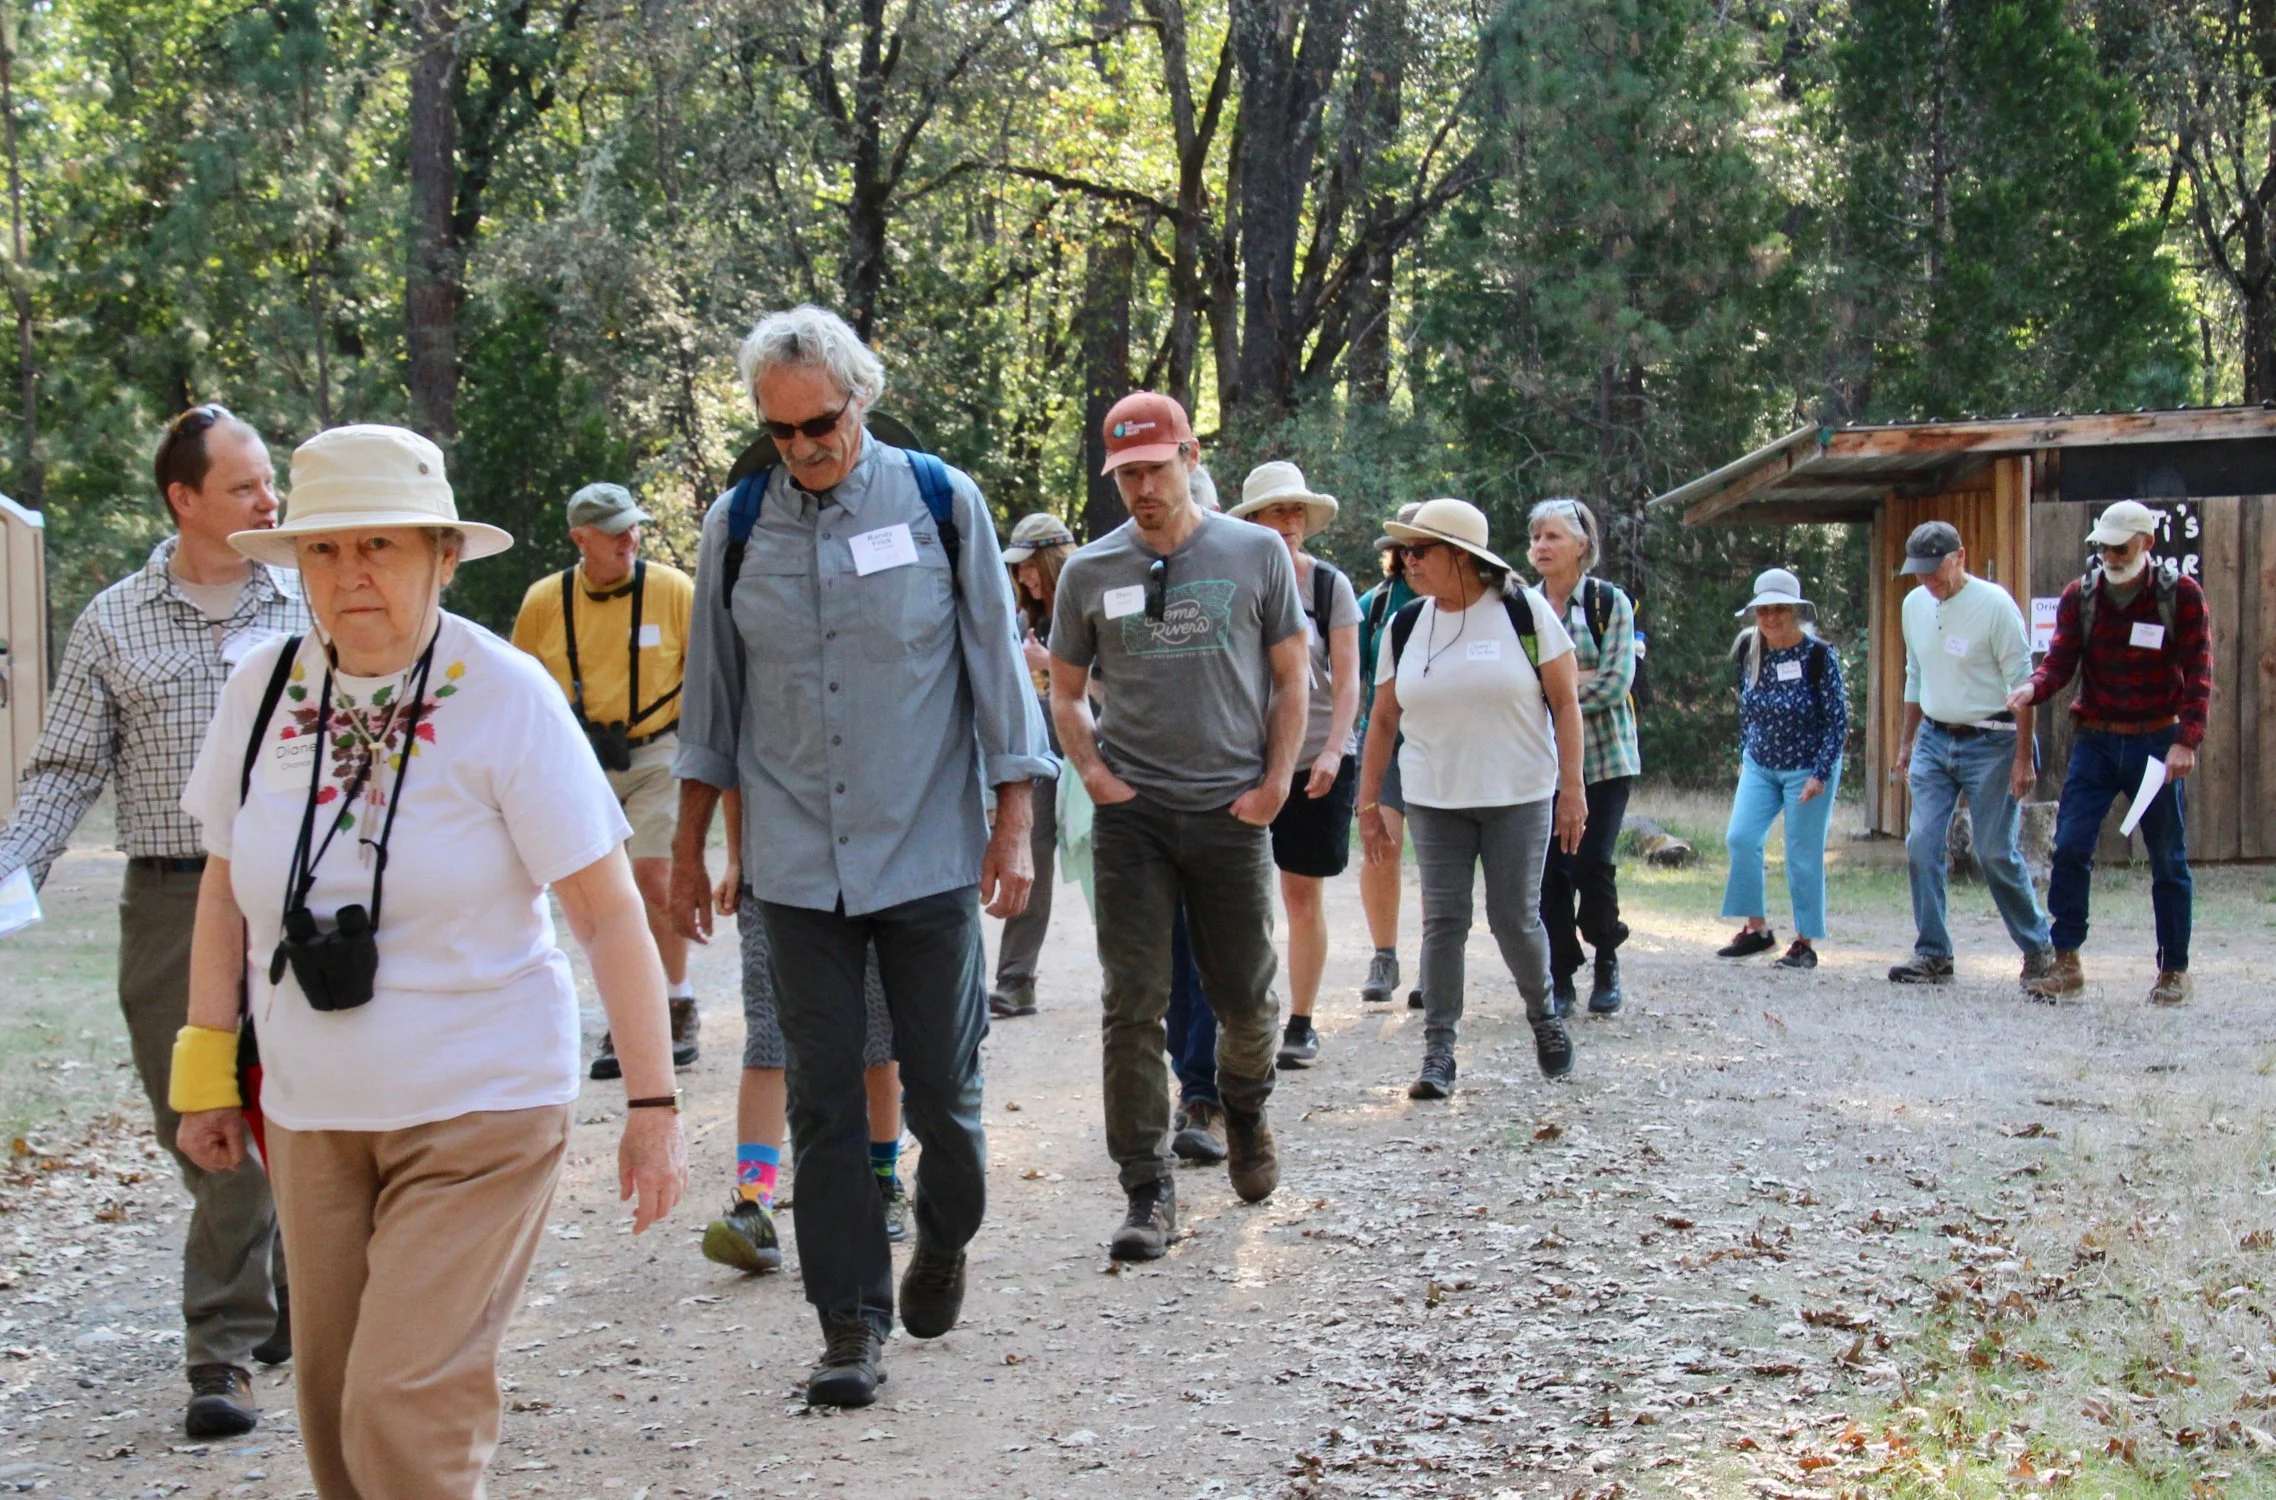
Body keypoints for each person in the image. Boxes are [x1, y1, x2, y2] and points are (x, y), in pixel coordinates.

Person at [170, 424, 687, 1499]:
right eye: (324, 550)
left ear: (441, 556)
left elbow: (603, 912)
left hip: (480, 1105)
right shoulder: (261, 689)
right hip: (313, 1112)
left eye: (381, 547)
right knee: (330, 1414)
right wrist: (206, 1071)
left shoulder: (505, 695)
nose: (351, 574)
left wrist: (653, 1103)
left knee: (401, 1405)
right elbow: (225, 891)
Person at [668, 305, 1050, 1407]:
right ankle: (849, 1324)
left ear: (861, 397)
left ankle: (943, 1236)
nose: (803, 448)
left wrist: (1011, 825)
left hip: (927, 853)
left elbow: (996, 672)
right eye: (780, 432)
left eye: (819, 424)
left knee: (945, 1094)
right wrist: (692, 852)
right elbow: (712, 708)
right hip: (795, 868)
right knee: (823, 1103)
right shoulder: (737, 522)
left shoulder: (939, 501)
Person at [0, 404, 302, 1437]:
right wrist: (8, 876)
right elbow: (65, 767)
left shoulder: (308, 600)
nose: (271, 502)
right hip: (173, 898)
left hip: (298, 894)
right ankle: (280, 1277)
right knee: (199, 1112)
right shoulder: (113, 620)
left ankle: (219, 1354)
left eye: (270, 483)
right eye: (247, 488)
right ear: (184, 500)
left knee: (284, 1112)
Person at [1049, 390, 1307, 1262]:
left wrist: (1275, 784)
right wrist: (1093, 774)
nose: (1142, 489)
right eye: (1126, 475)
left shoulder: (1256, 551)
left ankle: (1243, 1104)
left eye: (1155, 469)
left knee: (1246, 999)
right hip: (1137, 820)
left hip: (1232, 811)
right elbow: (1064, 690)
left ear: (1191, 458)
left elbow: (1291, 677)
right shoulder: (1090, 570)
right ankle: (1145, 1189)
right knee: (1133, 1005)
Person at [1356, 498, 1586, 1097]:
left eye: (1420, 550)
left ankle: (1544, 1017)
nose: (1407, 561)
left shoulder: (1521, 611)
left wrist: (1572, 788)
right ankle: (1438, 1053)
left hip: (1519, 793)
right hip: (1436, 797)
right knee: (1444, 922)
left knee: (1514, 919)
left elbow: (1565, 703)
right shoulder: (1405, 625)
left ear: (1461, 557)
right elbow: (1381, 721)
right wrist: (1367, 804)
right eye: (1404, 551)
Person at [511, 483, 702, 1076]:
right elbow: (520, 690)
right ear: (579, 539)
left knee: (653, 875)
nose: (629, 538)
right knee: (597, 897)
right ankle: (627, 1020)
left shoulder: (673, 590)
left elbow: (708, 676)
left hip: (657, 753)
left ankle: (676, 1000)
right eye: (614, 529)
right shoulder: (545, 601)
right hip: (580, 759)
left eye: (633, 526)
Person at [696, 784, 912, 1275]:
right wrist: (735, 857)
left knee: (878, 1038)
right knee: (768, 1039)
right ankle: (754, 1204)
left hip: (875, 871)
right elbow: (734, 764)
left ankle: (882, 1178)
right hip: (775, 875)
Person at [2009, 501, 2212, 1006]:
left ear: (2147, 543)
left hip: (2155, 742)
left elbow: (2200, 674)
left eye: (2119, 547)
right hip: (2096, 739)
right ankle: (2067, 962)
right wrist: (2033, 689)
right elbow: (2058, 662)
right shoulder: (2081, 597)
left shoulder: (2181, 596)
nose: (2109, 556)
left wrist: (2187, 740)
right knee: (2072, 846)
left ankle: (2174, 971)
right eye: (2102, 547)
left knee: (2168, 858)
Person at [1227, 461, 1358, 1069]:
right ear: (1252, 521)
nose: (1288, 523)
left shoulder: (1330, 587)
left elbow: (1351, 681)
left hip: (1315, 760)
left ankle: (1301, 1022)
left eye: (1296, 512)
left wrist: (1334, 748)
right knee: (1239, 898)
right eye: (1276, 511)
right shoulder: (1233, 581)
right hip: (1246, 760)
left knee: (1301, 892)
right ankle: (1248, 1014)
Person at [1888, 521, 2053, 987]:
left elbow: (2025, 688)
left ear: (1960, 556)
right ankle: (1933, 953)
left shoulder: (1996, 606)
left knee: (1993, 851)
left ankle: (2039, 946)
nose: (1927, 581)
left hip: (1994, 740)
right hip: (1936, 739)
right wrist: (1907, 742)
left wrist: (2024, 758)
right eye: (1918, 572)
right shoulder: (1914, 605)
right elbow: (1915, 674)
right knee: (1921, 843)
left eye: (1934, 570)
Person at [1526, 498, 1640, 1016]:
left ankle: (1606, 955)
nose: (1541, 547)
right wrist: (1566, 685)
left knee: (1592, 863)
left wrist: (1557, 691)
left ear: (1582, 545)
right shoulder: (1520, 607)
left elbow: (1615, 684)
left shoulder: (1608, 603)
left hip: (1606, 761)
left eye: (1552, 536)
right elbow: (1516, 689)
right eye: (1536, 538)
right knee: (1548, 872)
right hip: (1538, 764)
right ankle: (1563, 974)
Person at [1716, 569, 1847, 968]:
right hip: (1761, 764)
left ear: (1795, 612)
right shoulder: (1748, 650)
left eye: (1779, 610)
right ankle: (1756, 931)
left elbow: (1837, 722)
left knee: (1802, 855)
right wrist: (1745, 756)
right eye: (1763, 611)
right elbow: (1747, 712)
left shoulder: (1819, 656)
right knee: (1740, 837)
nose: (1770, 618)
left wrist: (1820, 774)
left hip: (1808, 767)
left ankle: (1805, 943)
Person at [991, 511, 1079, 1018]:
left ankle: (1133, 975)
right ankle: (1016, 980)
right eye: (1017, 568)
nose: (1023, 576)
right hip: (1041, 757)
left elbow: (1114, 685)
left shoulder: (1090, 599)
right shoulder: (1024, 620)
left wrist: (1048, 665)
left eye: (1029, 565)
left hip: (1097, 752)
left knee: (1108, 866)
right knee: (1032, 859)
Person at [1354, 502, 1421, 1009]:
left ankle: (1437, 964)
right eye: (1407, 545)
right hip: (1387, 737)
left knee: (1448, 855)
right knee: (1383, 842)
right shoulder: (1374, 605)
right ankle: (1384, 954)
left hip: (1446, 740)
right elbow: (1350, 676)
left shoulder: (1471, 599)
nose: (1413, 554)